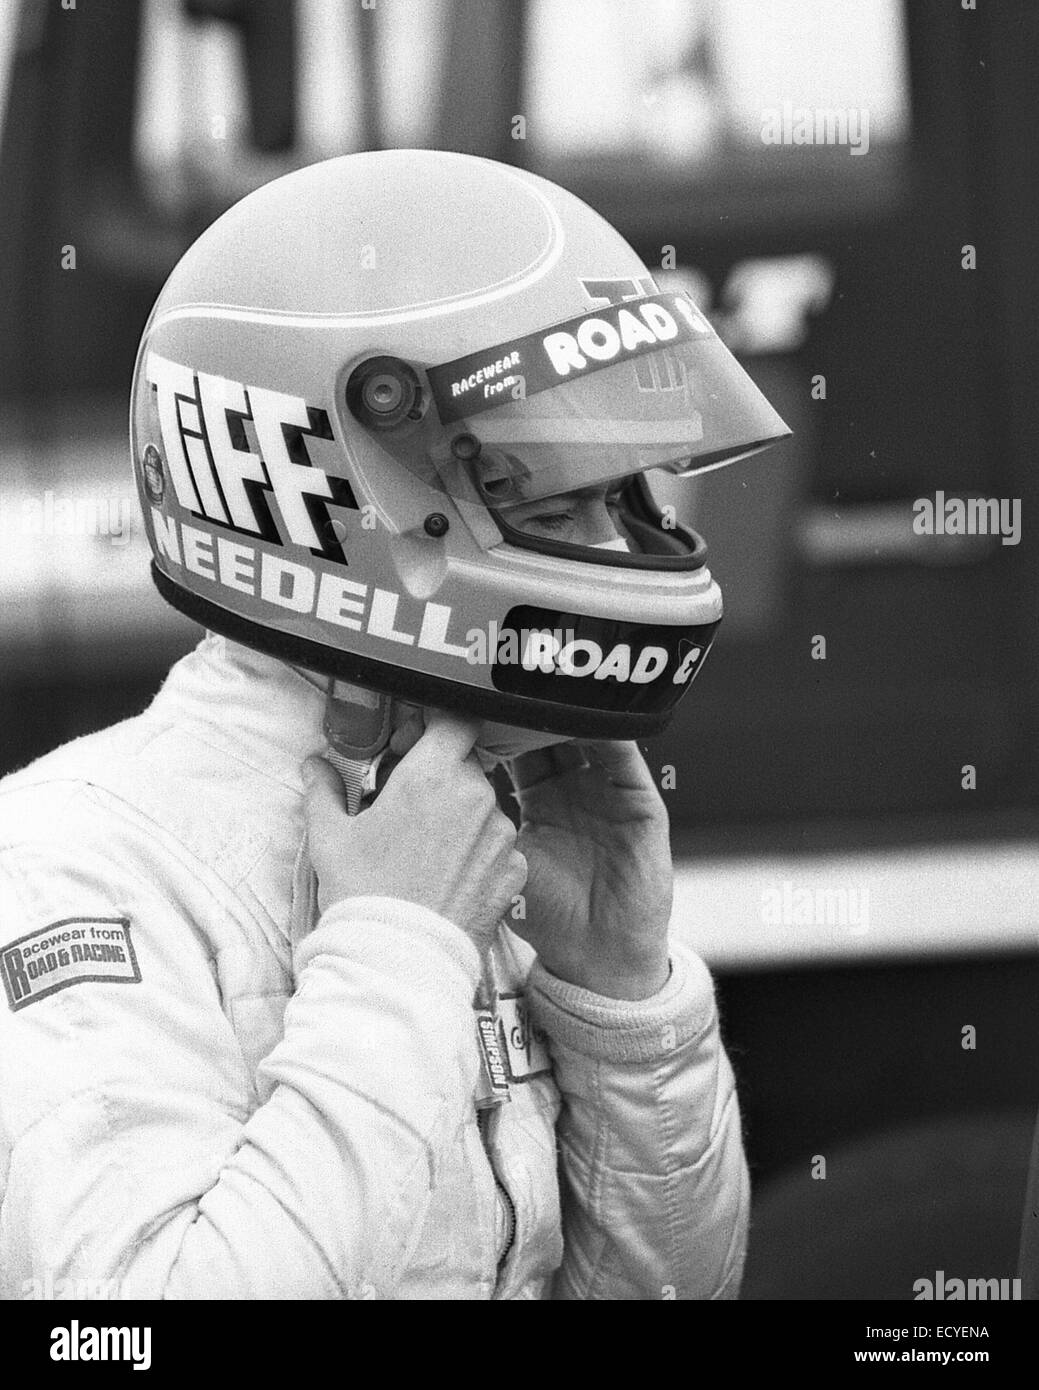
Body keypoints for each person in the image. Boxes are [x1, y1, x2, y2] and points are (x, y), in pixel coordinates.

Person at [0, 150, 789, 1300]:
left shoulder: (496, 817)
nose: (622, 552)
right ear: (352, 509)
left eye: (630, 499)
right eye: (564, 504)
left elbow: (672, 1295)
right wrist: (396, 948)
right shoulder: (67, 861)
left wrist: (621, 989)